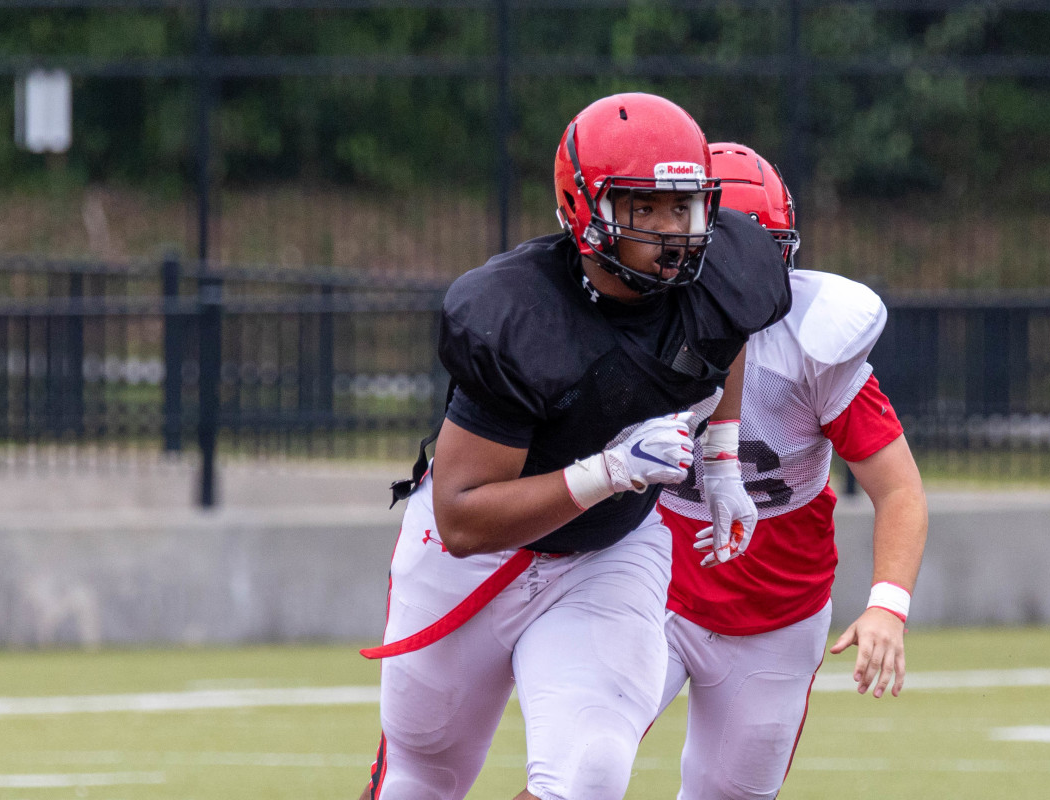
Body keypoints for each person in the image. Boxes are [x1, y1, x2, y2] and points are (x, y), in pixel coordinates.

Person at [357, 94, 791, 800]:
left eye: (682, 206)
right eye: (643, 208)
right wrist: (608, 470)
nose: (671, 230)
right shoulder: (518, 316)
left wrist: (720, 458)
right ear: (583, 208)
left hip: (605, 554)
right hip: (474, 559)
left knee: (589, 773)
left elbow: (725, 336)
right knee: (424, 773)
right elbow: (463, 518)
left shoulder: (724, 278)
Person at [652, 142, 928, 799]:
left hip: (776, 604)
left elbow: (900, 491)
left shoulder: (813, 344)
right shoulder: (636, 325)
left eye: (760, 249)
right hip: (646, 583)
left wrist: (888, 606)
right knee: (580, 770)